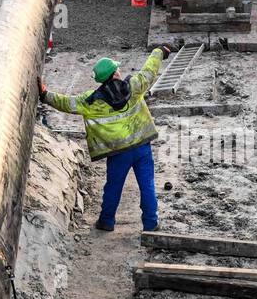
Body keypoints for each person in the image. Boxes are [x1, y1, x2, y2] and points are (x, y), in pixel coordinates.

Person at [39, 45, 176, 232]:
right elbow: (149, 71)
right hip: (142, 147)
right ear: (115, 74)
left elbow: (66, 103)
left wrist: (45, 95)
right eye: (117, 69)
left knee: (113, 186)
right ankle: (151, 224)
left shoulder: (90, 101)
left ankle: (106, 221)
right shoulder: (134, 87)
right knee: (147, 185)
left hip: (118, 153)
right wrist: (159, 52)